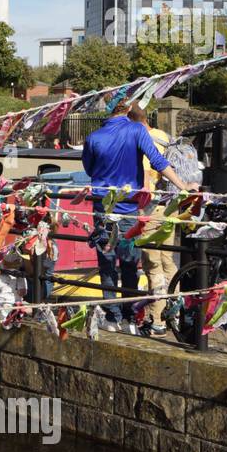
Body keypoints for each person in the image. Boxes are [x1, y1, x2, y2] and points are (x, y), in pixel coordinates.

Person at [81, 103, 199, 333]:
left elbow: (89, 169)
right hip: (128, 208)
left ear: (110, 112)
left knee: (107, 265)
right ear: (126, 113)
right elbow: (157, 160)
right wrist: (183, 186)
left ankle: (111, 317)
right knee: (129, 265)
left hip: (102, 207)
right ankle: (128, 318)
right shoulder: (136, 130)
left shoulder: (93, 137)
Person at [128, 104, 179, 335]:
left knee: (152, 263)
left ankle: (158, 319)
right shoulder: (164, 136)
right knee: (168, 261)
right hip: (172, 205)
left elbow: (148, 175)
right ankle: (176, 312)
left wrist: (140, 212)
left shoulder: (143, 138)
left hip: (153, 208)